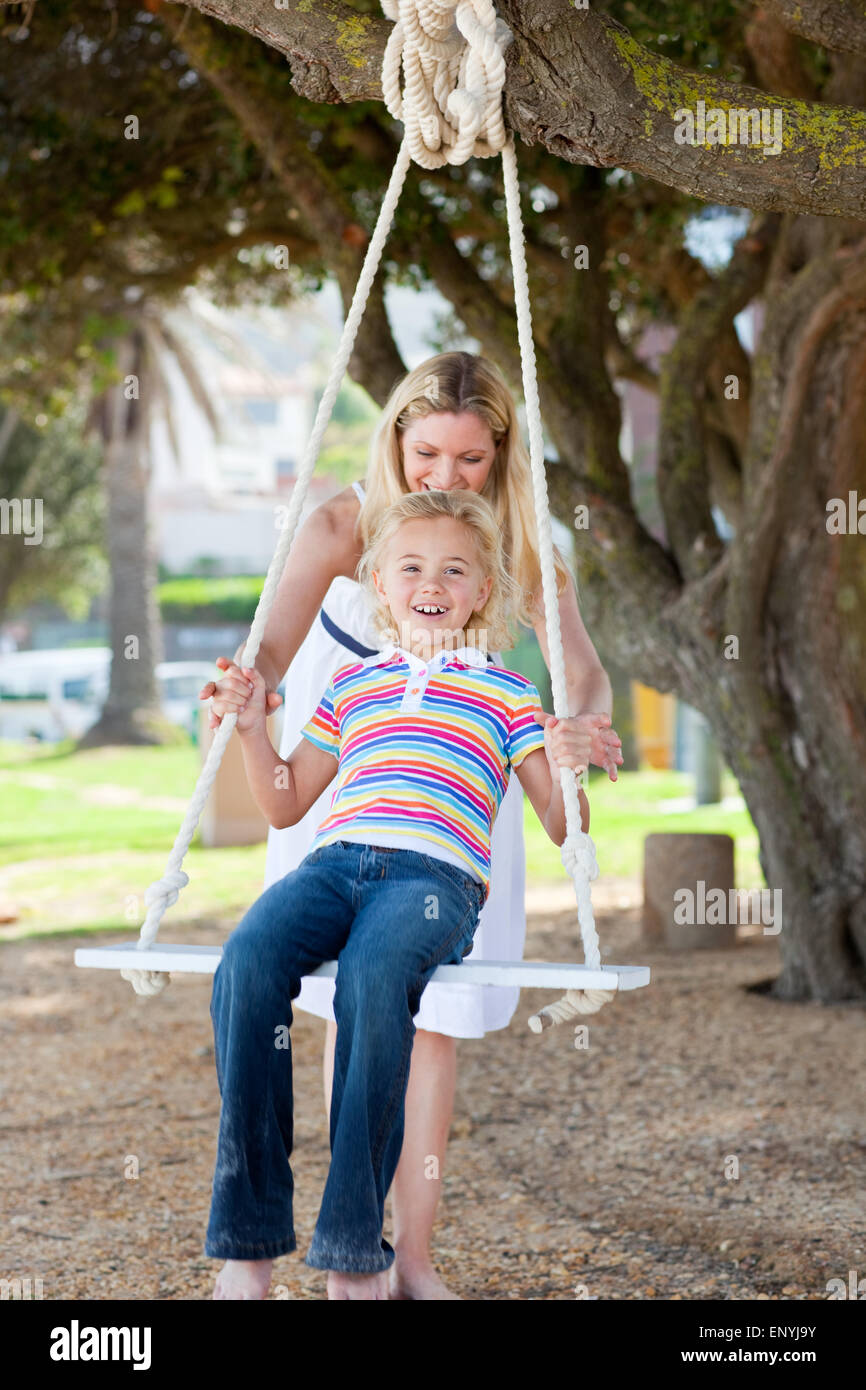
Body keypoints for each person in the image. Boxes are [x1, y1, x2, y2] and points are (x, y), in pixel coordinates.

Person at [200, 351, 623, 1299]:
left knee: (421, 1007)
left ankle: (403, 1257)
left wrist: (575, 732)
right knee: (312, 993)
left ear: (500, 457)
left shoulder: (516, 546)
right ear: (394, 438)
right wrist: (246, 697)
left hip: (463, 780)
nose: (444, 476)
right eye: (427, 451)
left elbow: (577, 668)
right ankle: (259, 1248)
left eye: (470, 460)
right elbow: (269, 646)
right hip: (349, 757)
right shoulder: (344, 524)